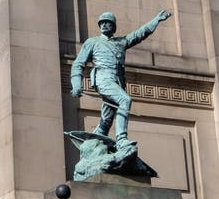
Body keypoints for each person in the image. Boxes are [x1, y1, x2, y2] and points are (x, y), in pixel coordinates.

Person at [70, 10, 172, 147]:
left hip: (117, 82)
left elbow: (139, 34)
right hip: (103, 79)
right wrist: (76, 84)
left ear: (113, 26)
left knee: (107, 119)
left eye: (108, 22)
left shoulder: (121, 42)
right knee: (125, 99)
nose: (104, 25)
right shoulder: (92, 42)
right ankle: (121, 138)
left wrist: (156, 20)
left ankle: (95, 138)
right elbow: (78, 64)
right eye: (102, 22)